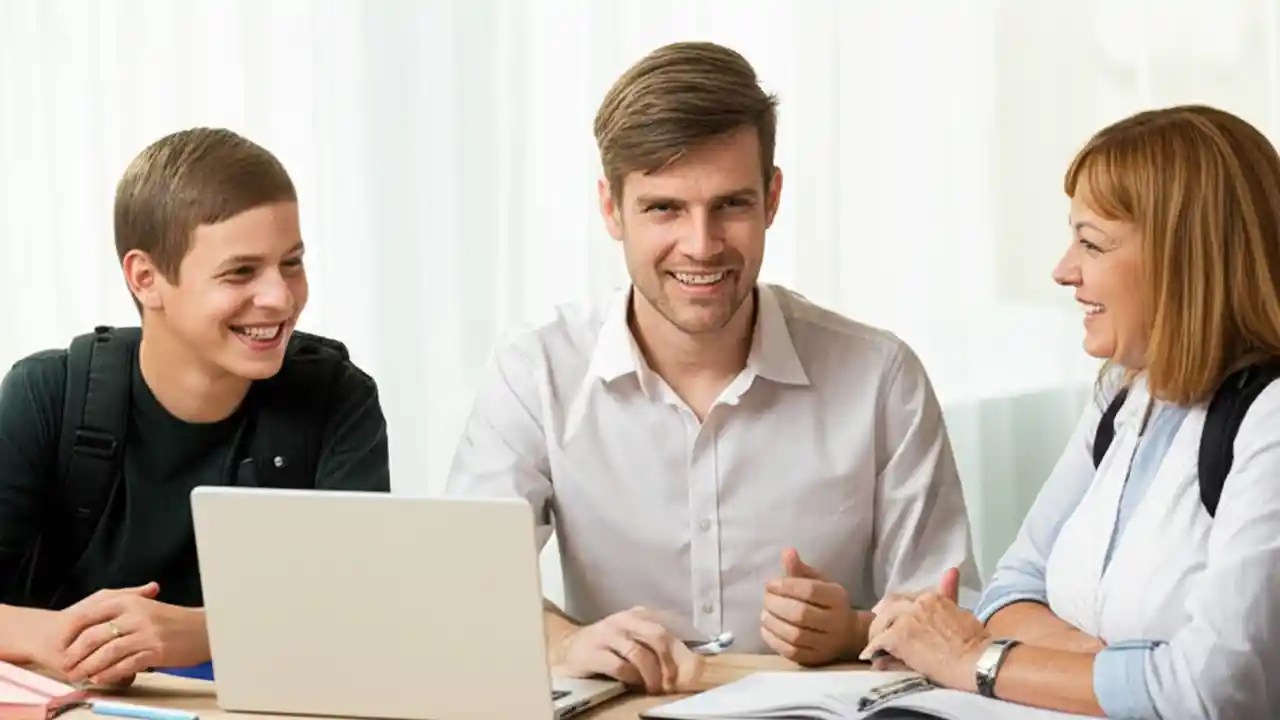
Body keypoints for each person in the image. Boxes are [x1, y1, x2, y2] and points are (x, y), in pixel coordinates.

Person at [445, 40, 977, 695]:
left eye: (731, 205)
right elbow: (463, 595)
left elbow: (955, 624)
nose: (701, 245)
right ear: (611, 209)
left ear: (772, 199)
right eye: (664, 208)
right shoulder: (537, 373)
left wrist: (855, 629)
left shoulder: (881, 378)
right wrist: (569, 641)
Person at [862, 104, 1280, 719]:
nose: (1064, 271)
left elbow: (1209, 692)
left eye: (1092, 243)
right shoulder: (1123, 396)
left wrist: (975, 659)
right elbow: (1010, 591)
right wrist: (1116, 670)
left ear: (1183, 260)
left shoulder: (1267, 419)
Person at [0, 128, 391, 687]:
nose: (280, 298)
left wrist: (208, 631)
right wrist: (62, 637)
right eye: (240, 272)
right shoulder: (45, 396)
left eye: (292, 263)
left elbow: (368, 611)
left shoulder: (338, 398)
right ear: (146, 278)